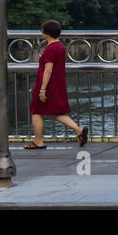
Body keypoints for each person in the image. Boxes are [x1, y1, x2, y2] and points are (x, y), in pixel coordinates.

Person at [23, 20, 88, 149]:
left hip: (46, 84)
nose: (41, 33)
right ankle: (78, 130)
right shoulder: (60, 46)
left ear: (46, 33)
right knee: (56, 112)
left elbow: (48, 69)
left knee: (36, 111)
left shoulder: (50, 49)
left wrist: (42, 89)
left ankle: (38, 141)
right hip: (56, 84)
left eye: (42, 30)